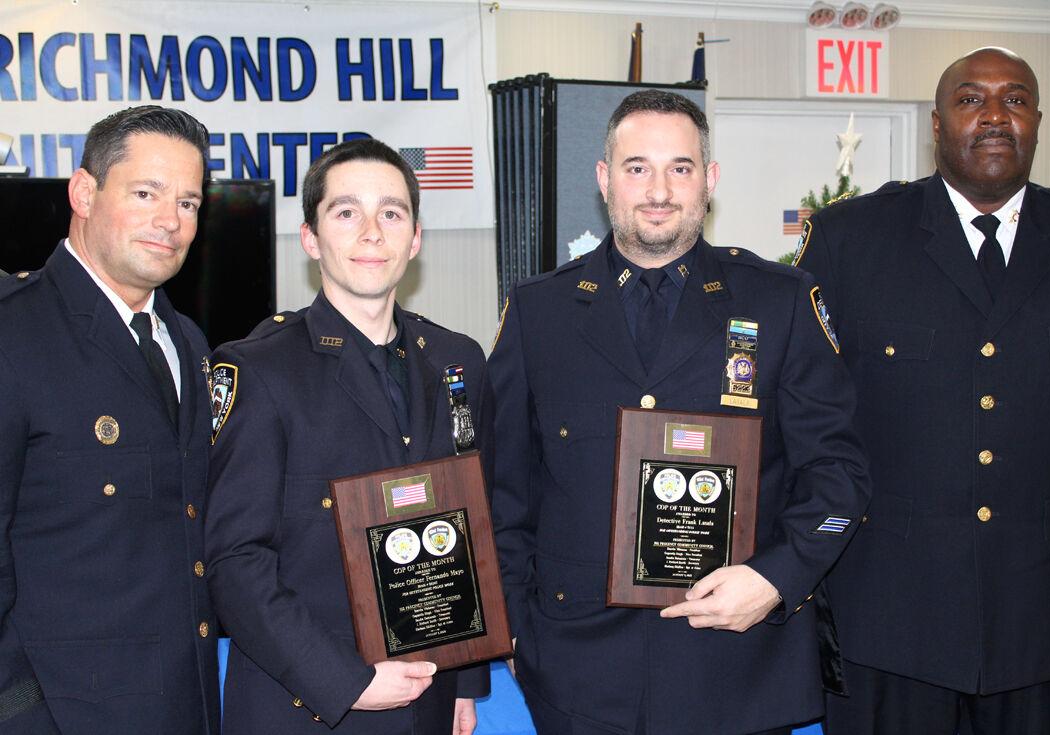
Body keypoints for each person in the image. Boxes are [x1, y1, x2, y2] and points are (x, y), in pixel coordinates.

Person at [488, 89, 871, 734]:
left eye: (681, 168)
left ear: (709, 180)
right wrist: (521, 631)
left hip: (737, 666)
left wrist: (776, 580)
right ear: (605, 179)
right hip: (578, 669)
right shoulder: (539, 311)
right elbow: (504, 494)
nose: (659, 191)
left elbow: (840, 477)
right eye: (637, 167)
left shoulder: (779, 303)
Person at [796, 47, 1050, 735]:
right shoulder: (852, 240)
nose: (994, 115)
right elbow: (804, 419)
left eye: (1014, 100)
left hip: (1047, 614)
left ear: (1037, 121)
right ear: (937, 124)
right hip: (890, 617)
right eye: (970, 99)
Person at [204, 138, 489, 734]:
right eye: (346, 212)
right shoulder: (259, 369)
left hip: (428, 699)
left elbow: (468, 521)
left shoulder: (456, 359)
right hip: (309, 707)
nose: (371, 233)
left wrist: (465, 679)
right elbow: (235, 561)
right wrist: (344, 680)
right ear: (310, 238)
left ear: (415, 238)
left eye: (391, 213)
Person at [0, 106, 219, 734]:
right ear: (84, 193)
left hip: (188, 708)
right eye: (146, 193)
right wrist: (18, 713)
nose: (170, 221)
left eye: (187, 202)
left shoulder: (189, 343)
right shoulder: (14, 333)